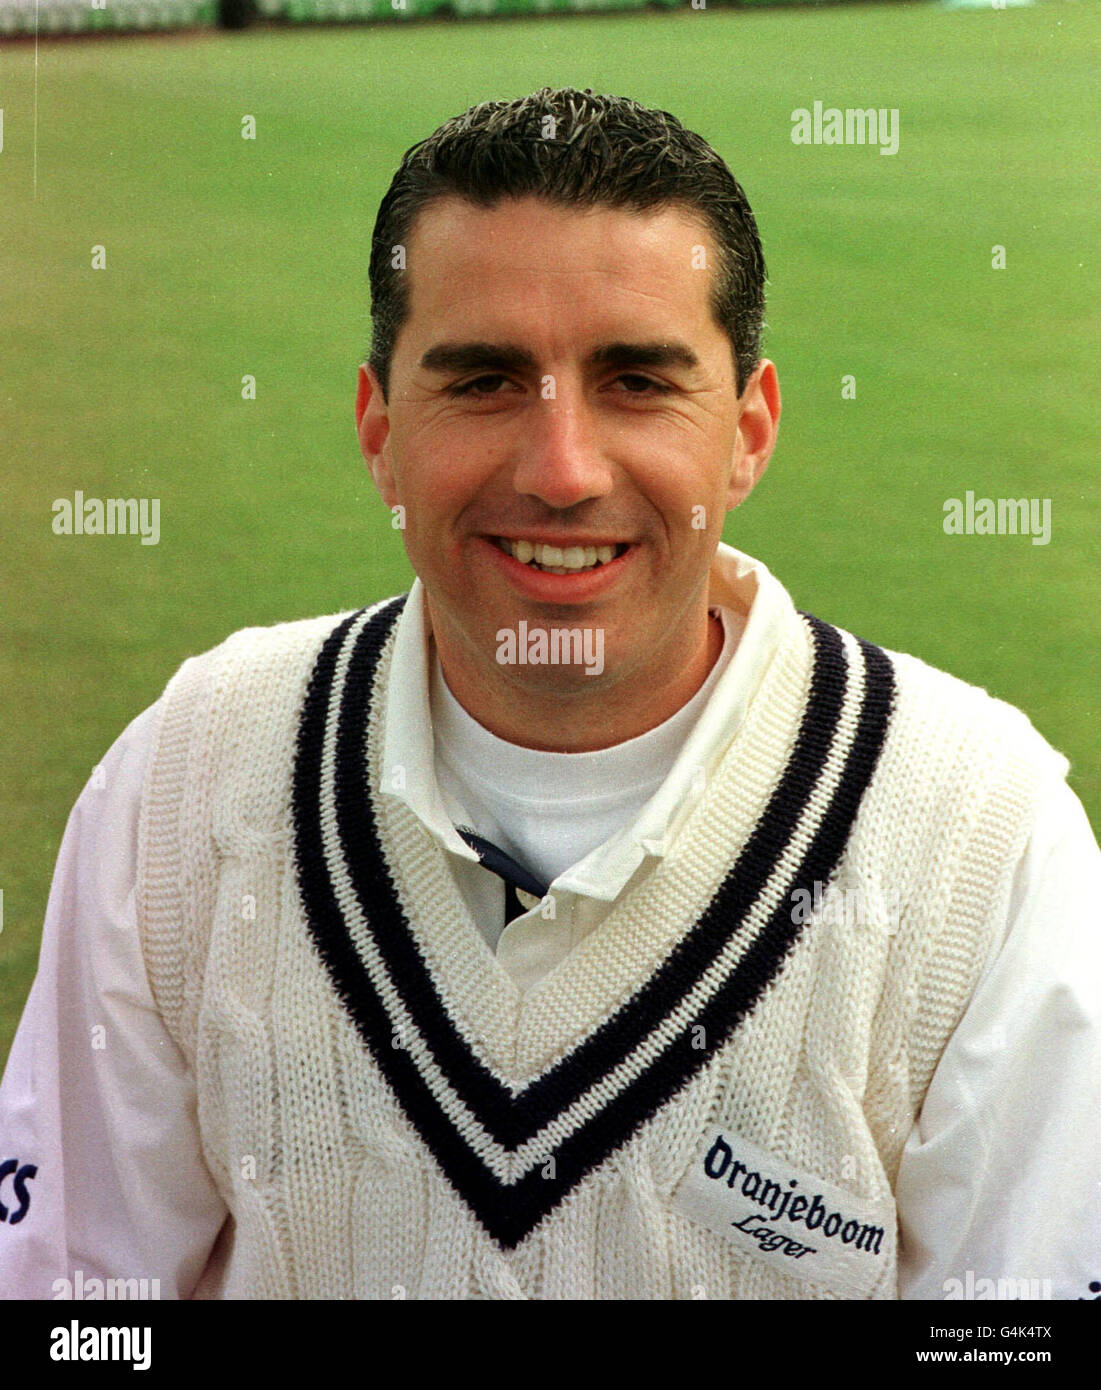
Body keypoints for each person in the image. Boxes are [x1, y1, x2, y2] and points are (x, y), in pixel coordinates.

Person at [1, 87, 1098, 1302]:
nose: (563, 470)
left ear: (749, 430)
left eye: (637, 380)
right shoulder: (188, 778)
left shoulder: (983, 839)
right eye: (482, 381)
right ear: (378, 431)